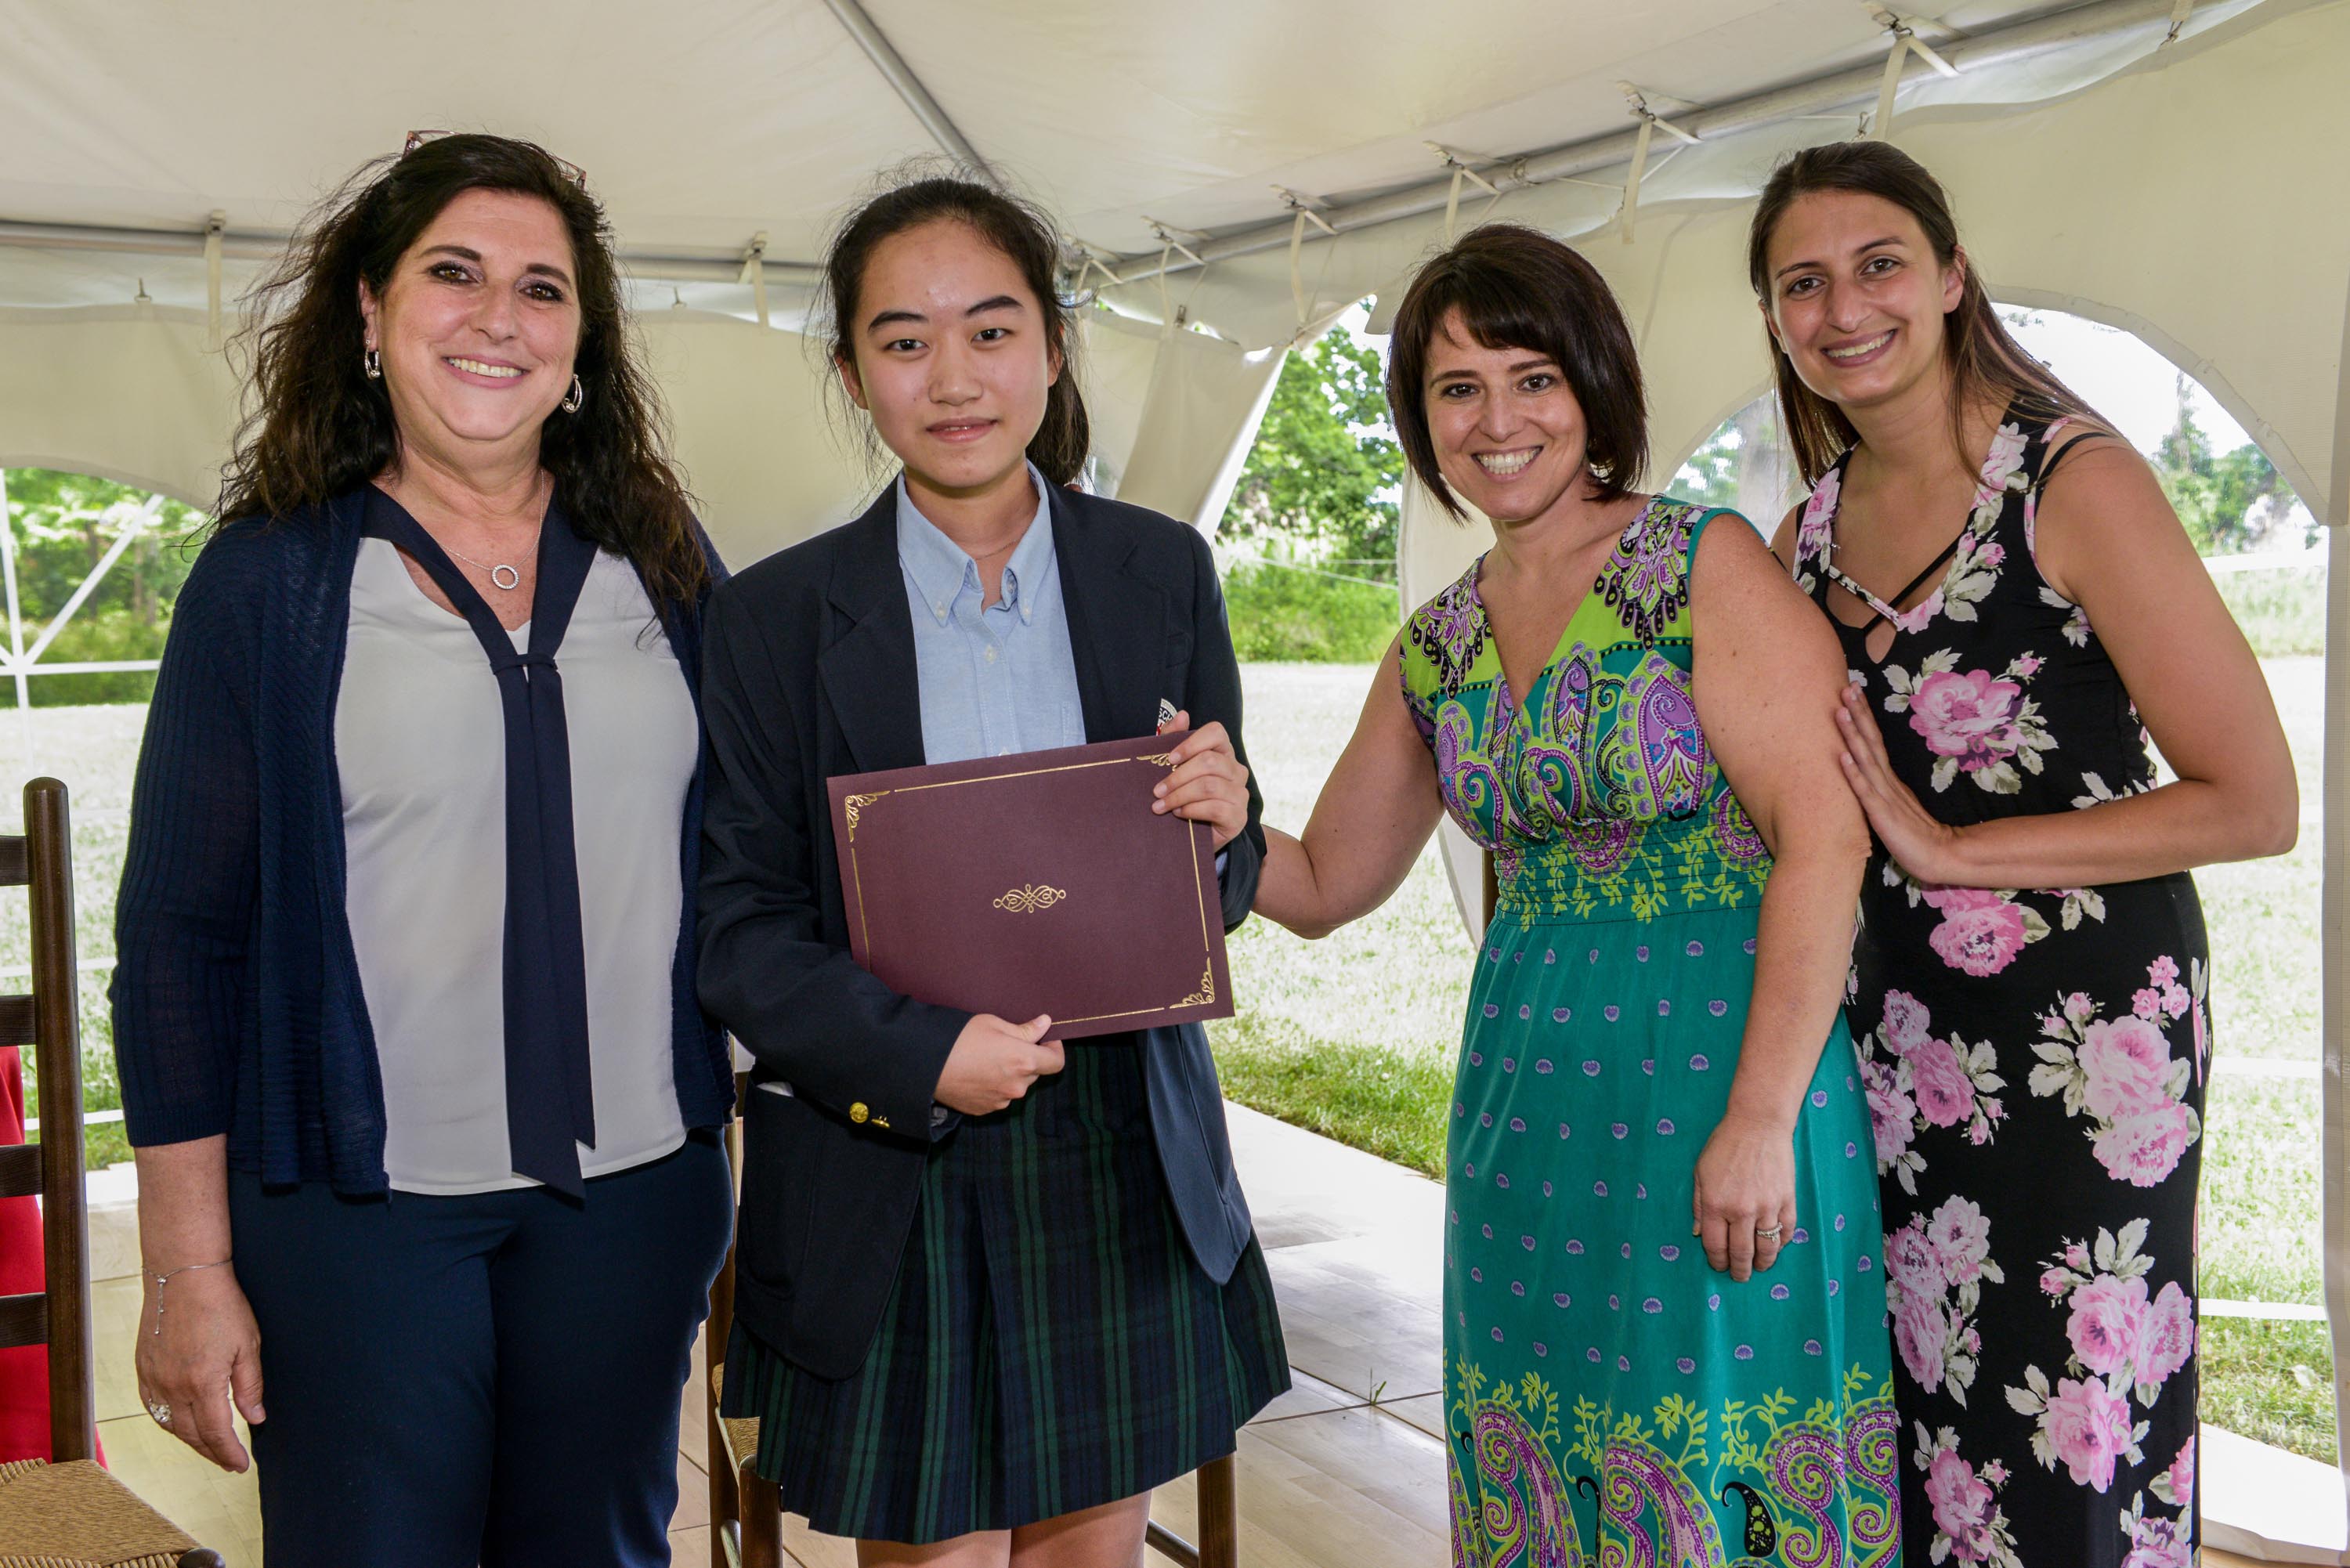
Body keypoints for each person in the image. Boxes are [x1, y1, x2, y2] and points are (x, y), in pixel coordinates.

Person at [109, 132, 733, 1566]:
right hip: (353, 1219)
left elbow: (780, 835)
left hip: (636, 1199)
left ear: (585, 343)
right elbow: (176, 950)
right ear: (371, 314)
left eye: (542, 288)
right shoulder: (267, 580)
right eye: (453, 274)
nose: (497, 316)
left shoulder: (664, 557)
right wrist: (187, 1268)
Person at [1251, 222, 1898, 1565]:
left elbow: (1827, 838)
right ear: (1420, 422)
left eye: (1532, 375)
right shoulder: (1435, 642)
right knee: (1548, 1475)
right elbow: (1321, 882)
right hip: (1526, 1121)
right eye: (1457, 387)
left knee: (1717, 1463)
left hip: (1724, 1092)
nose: (1499, 419)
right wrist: (1202, 814)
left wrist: (1763, 1116)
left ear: (1594, 383)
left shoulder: (1698, 565)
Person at [696, 174, 1289, 1565]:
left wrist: (1224, 826)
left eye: (991, 330)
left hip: (1126, 1147)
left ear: (1055, 343)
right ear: (852, 372)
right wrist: (920, 1053)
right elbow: (739, 928)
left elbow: (1224, 881)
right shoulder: (774, 617)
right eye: (904, 341)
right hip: (892, 1154)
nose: (953, 378)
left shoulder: (1161, 572)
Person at [1750, 140, 2297, 1566]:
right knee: (1924, 1426)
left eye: (1877, 264)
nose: (1841, 307)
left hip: (2083, 1048)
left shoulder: (2070, 480)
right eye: (1800, 283)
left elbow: (2254, 799)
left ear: (1949, 276)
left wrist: (1954, 847)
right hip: (1886, 1046)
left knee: (2064, 1433)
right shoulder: (1798, 541)